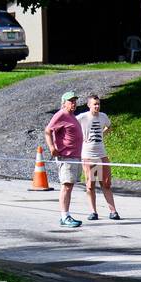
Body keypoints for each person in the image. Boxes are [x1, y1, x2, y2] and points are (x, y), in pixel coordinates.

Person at [43, 91, 83, 228]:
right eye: (71, 101)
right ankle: (64, 216)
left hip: (75, 156)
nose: (74, 103)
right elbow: (48, 130)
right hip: (66, 157)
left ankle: (65, 215)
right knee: (66, 185)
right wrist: (52, 147)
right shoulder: (61, 114)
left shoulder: (71, 116)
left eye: (75, 101)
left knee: (69, 186)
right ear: (64, 103)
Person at [78, 95, 120, 221]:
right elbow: (71, 126)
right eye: (94, 104)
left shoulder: (103, 116)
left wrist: (103, 133)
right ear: (89, 105)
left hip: (101, 155)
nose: (97, 106)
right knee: (90, 185)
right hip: (88, 155)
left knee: (106, 184)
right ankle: (93, 211)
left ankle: (113, 211)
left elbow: (109, 126)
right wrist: (79, 138)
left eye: (98, 104)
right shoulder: (82, 117)